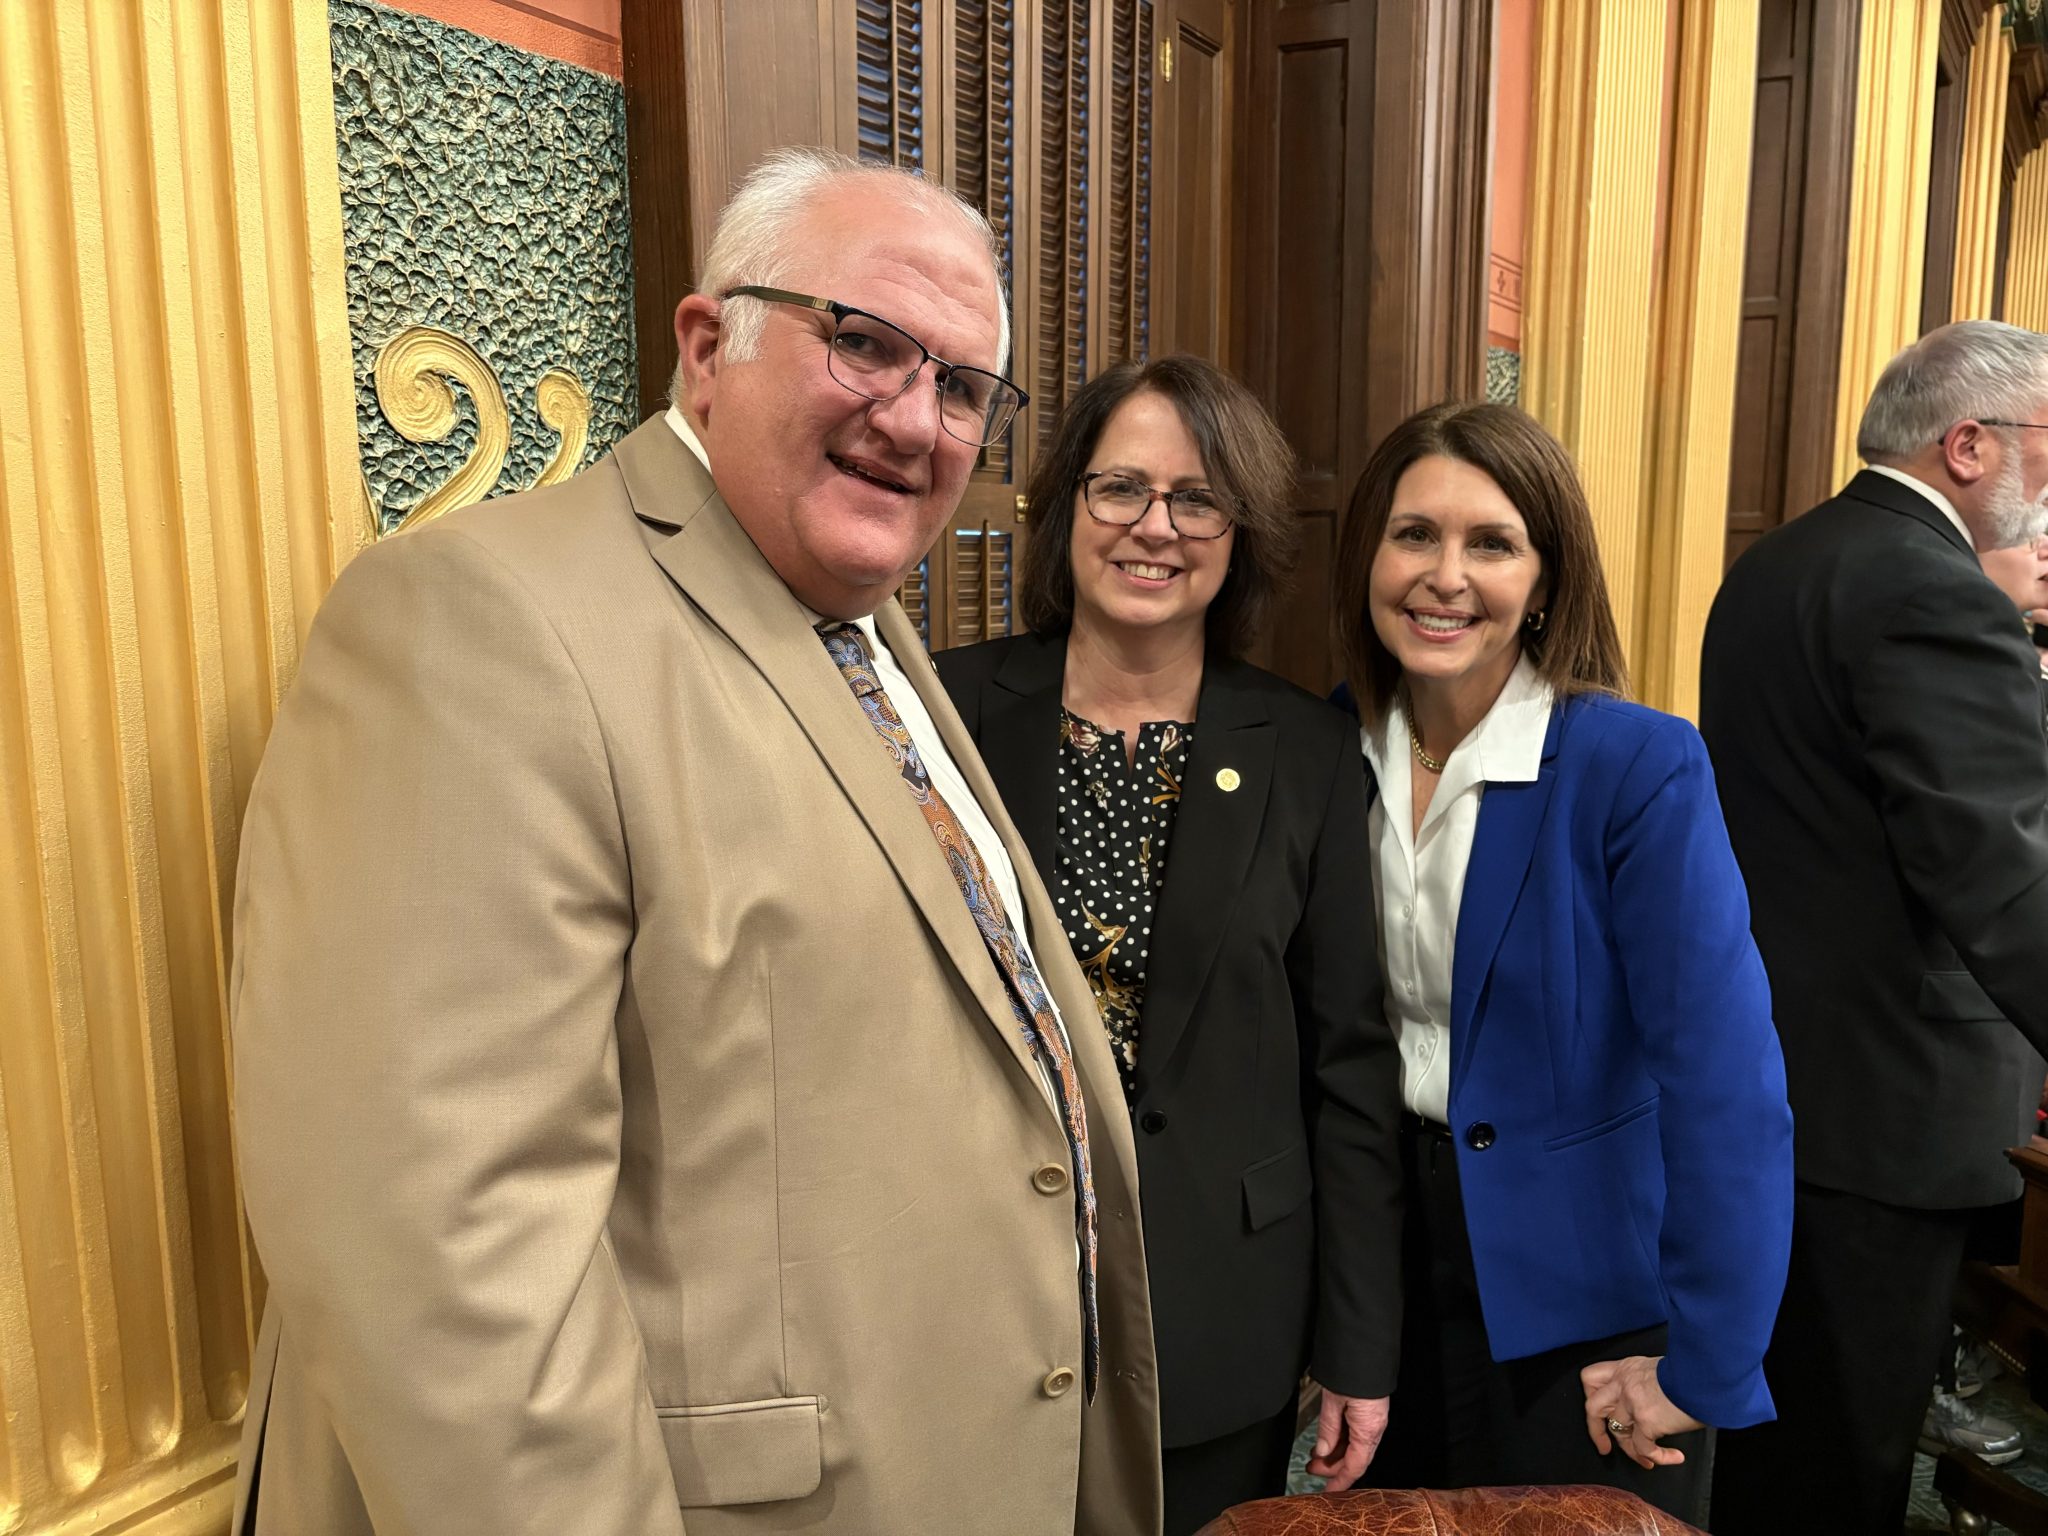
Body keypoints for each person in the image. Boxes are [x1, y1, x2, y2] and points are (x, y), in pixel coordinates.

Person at [228, 148, 1162, 1536]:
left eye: (964, 387)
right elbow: (441, 1252)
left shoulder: (858, 625)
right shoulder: (480, 620)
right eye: (864, 342)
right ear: (708, 344)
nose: (916, 419)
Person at [936, 356, 1403, 1535]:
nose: (1154, 526)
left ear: (1238, 533)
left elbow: (1349, 1068)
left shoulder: (1304, 752)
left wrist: (1357, 1344)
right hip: (974, 1291)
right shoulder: (943, 716)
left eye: (1196, 499)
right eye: (1120, 488)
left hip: (1222, 1300)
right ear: (1066, 507)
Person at [1330, 401, 1793, 1526]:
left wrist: (1707, 1364)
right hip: (1387, 1274)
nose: (1444, 576)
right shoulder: (1327, 740)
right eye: (1413, 534)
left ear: (1543, 582)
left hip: (1589, 1300)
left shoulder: (1634, 766)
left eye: (1490, 543)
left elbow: (1726, 1086)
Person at [1701, 320, 2048, 1536]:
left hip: (1784, 1073)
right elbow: (1999, 873)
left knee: (1781, 1440)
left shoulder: (1777, 560)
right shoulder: (1931, 589)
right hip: (1889, 1103)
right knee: (1842, 1460)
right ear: (1968, 444)